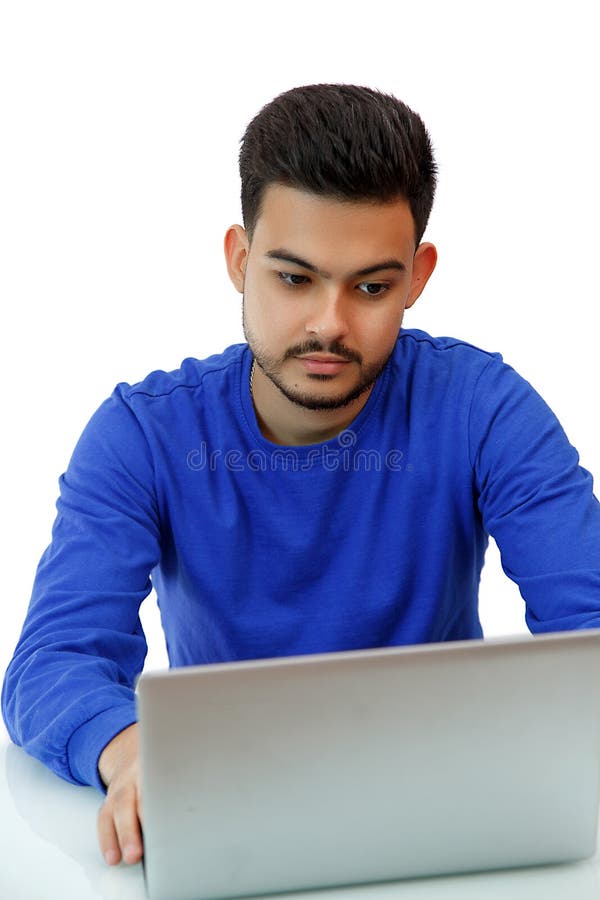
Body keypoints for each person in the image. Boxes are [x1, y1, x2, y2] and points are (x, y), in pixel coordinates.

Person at [3, 83, 600, 869]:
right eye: (293, 278)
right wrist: (135, 755)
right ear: (239, 259)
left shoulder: (486, 410)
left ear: (417, 276)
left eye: (372, 287)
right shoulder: (142, 435)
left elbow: (589, 628)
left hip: (444, 825)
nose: (329, 324)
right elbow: (52, 662)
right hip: (223, 823)